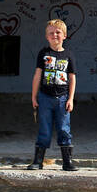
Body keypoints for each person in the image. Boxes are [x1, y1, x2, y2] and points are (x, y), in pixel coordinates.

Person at [28, 18, 77, 170]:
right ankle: (38, 161)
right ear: (46, 36)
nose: (54, 35)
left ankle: (67, 162)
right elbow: (37, 76)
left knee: (64, 128)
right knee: (44, 129)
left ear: (64, 35)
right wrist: (34, 97)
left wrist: (71, 98)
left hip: (62, 99)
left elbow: (72, 78)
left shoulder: (69, 55)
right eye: (51, 33)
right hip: (45, 98)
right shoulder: (43, 53)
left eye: (58, 32)